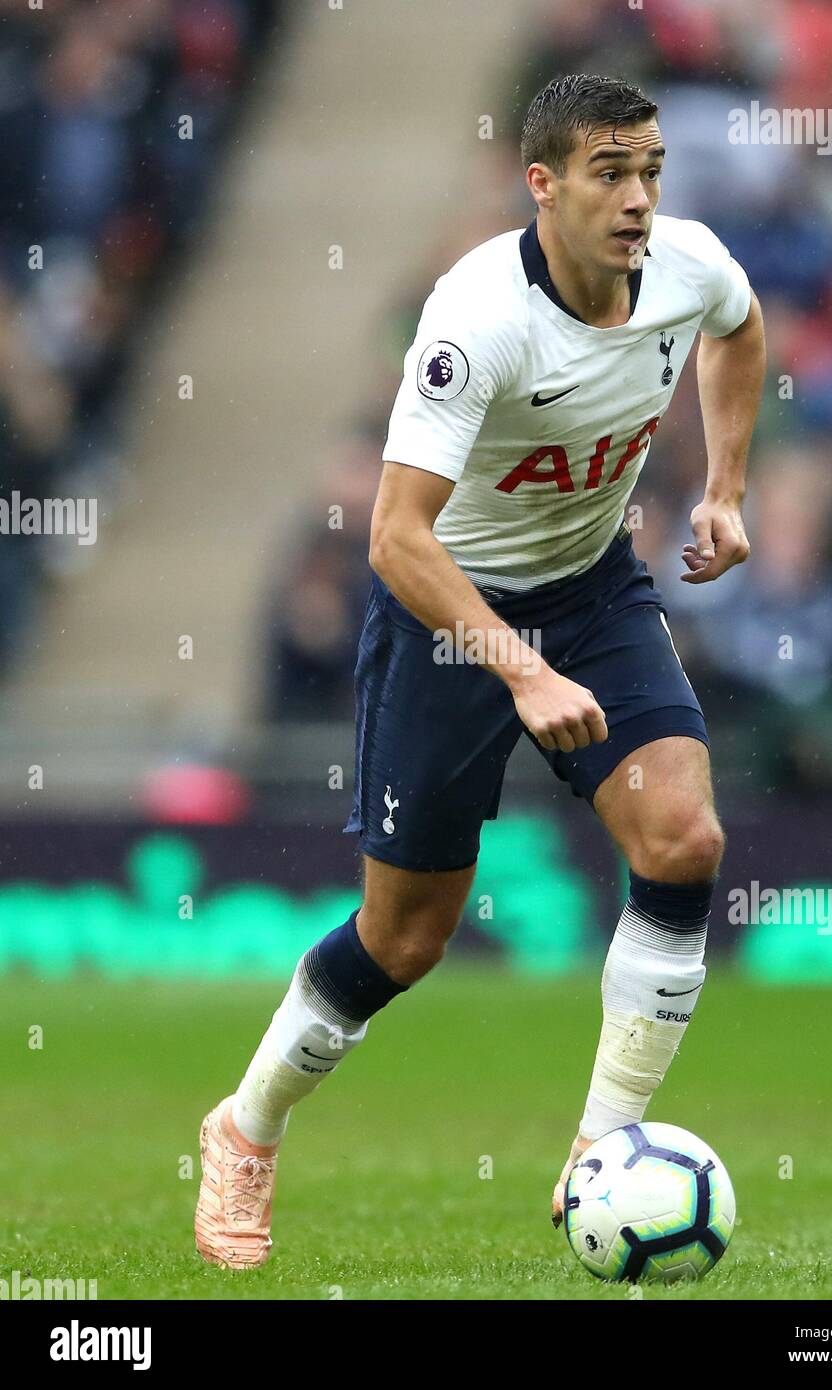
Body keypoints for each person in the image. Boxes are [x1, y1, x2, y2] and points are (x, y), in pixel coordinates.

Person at [194, 72, 765, 1268]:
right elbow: (395, 536)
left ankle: (597, 1151)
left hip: (596, 586)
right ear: (542, 184)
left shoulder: (689, 265)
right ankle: (245, 1128)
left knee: (683, 839)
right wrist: (520, 673)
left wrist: (723, 488)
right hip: (446, 611)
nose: (638, 198)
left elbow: (739, 327)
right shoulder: (476, 319)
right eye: (610, 173)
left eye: (651, 170)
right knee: (405, 938)